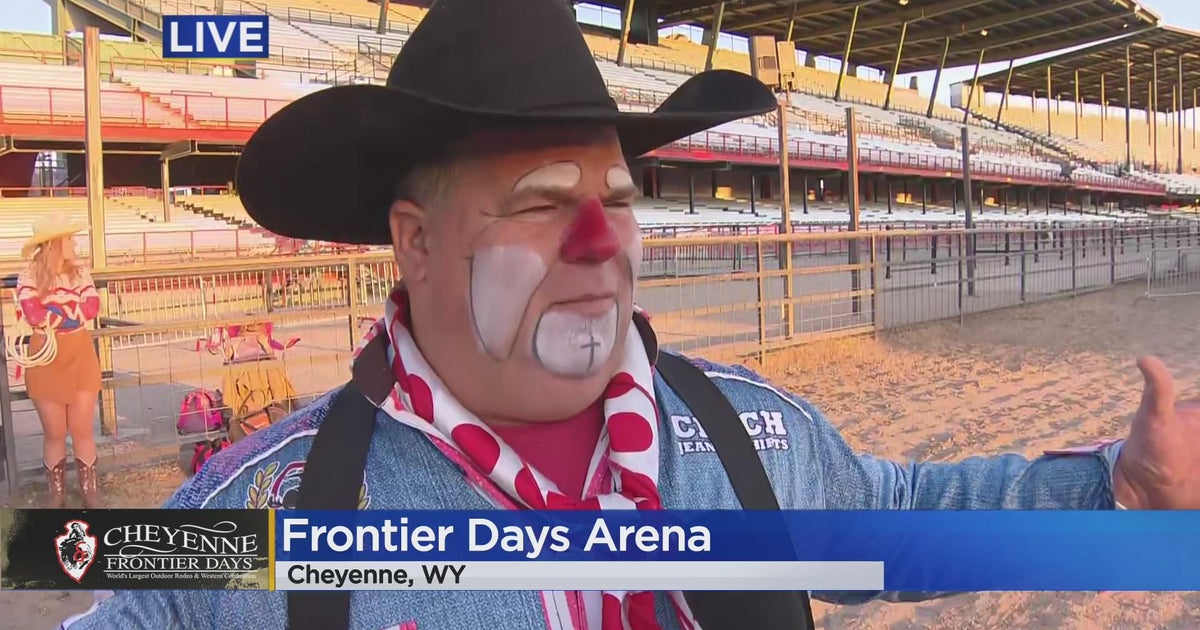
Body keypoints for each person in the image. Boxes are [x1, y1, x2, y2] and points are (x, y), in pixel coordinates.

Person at [63, 0, 1200, 628]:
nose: (602, 245)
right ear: (415, 243)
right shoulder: (259, 511)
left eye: (615, 198)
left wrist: (1114, 493)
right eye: (545, 206)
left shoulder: (746, 435)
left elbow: (893, 522)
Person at [14, 213, 102, 509]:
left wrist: (57, 315)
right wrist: (67, 314)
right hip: (46, 356)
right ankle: (57, 496)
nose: (74, 242)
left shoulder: (80, 273)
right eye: (69, 238)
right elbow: (32, 312)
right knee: (54, 431)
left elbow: (91, 307)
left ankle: (91, 492)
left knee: (82, 428)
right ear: (54, 243)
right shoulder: (29, 274)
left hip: (79, 353)